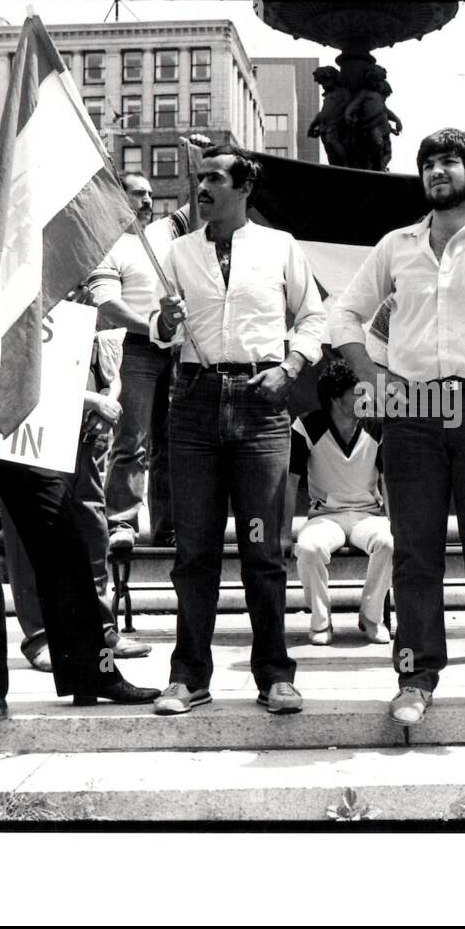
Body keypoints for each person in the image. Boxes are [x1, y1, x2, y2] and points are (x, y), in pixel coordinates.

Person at [330, 128, 465, 726]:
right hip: (413, 411)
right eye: (427, 163)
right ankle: (414, 677)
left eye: (449, 161)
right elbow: (343, 314)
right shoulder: (396, 245)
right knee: (414, 554)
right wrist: (370, 376)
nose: (435, 172)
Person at [0, 180, 160, 719]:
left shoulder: (37, 282)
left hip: (29, 436)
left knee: (64, 548)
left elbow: (54, 358)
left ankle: (92, 673)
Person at [150, 144, 325, 716]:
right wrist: (164, 323)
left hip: (261, 407)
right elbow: (160, 332)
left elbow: (315, 316)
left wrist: (292, 366)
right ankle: (188, 676)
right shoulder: (176, 254)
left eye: (215, 178)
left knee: (263, 549)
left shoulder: (280, 247)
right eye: (198, 177)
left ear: (244, 188)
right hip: (194, 403)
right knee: (194, 551)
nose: (202, 187)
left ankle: (275, 674)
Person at [2, 283, 151, 670]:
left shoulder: (85, 316)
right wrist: (94, 401)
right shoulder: (17, 309)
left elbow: (106, 371)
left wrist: (106, 402)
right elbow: (24, 378)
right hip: (27, 442)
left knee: (92, 527)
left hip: (80, 440)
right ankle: (40, 636)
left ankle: (100, 628)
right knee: (30, 535)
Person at [89, 146, 201, 555]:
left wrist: (196, 160)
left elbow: (198, 202)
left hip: (176, 351)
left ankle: (168, 526)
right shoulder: (105, 246)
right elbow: (106, 305)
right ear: (119, 199)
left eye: (151, 194)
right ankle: (122, 522)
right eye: (138, 194)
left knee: (172, 441)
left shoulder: (165, 234)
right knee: (132, 440)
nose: (149, 200)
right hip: (136, 350)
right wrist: (152, 326)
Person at [283, 359, 393, 646]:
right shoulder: (306, 427)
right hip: (324, 517)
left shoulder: (377, 426)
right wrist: (283, 533)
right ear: (335, 397)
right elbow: (290, 481)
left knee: (391, 542)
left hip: (367, 516)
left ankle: (371, 618)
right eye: (359, 393)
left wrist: (394, 523)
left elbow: (387, 480)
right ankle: (321, 622)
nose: (367, 398)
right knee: (308, 547)